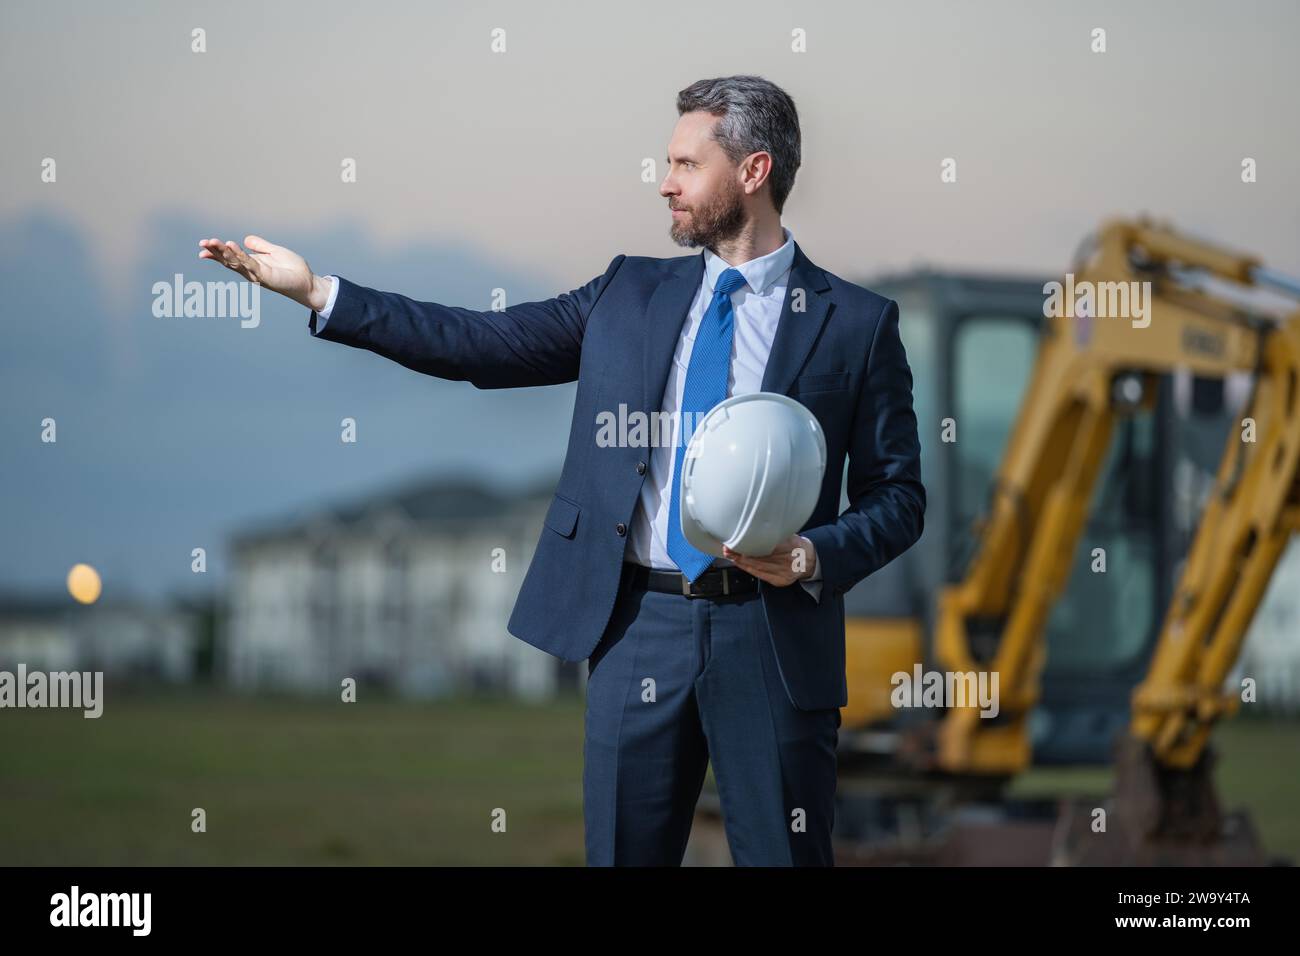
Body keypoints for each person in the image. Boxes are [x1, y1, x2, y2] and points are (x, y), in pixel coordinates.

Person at [199, 74, 925, 866]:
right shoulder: (626, 293)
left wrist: (813, 554)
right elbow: (480, 342)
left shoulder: (856, 323)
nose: (665, 182)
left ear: (753, 172)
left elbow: (898, 495)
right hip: (637, 630)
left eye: (686, 164)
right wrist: (319, 291)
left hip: (774, 636)